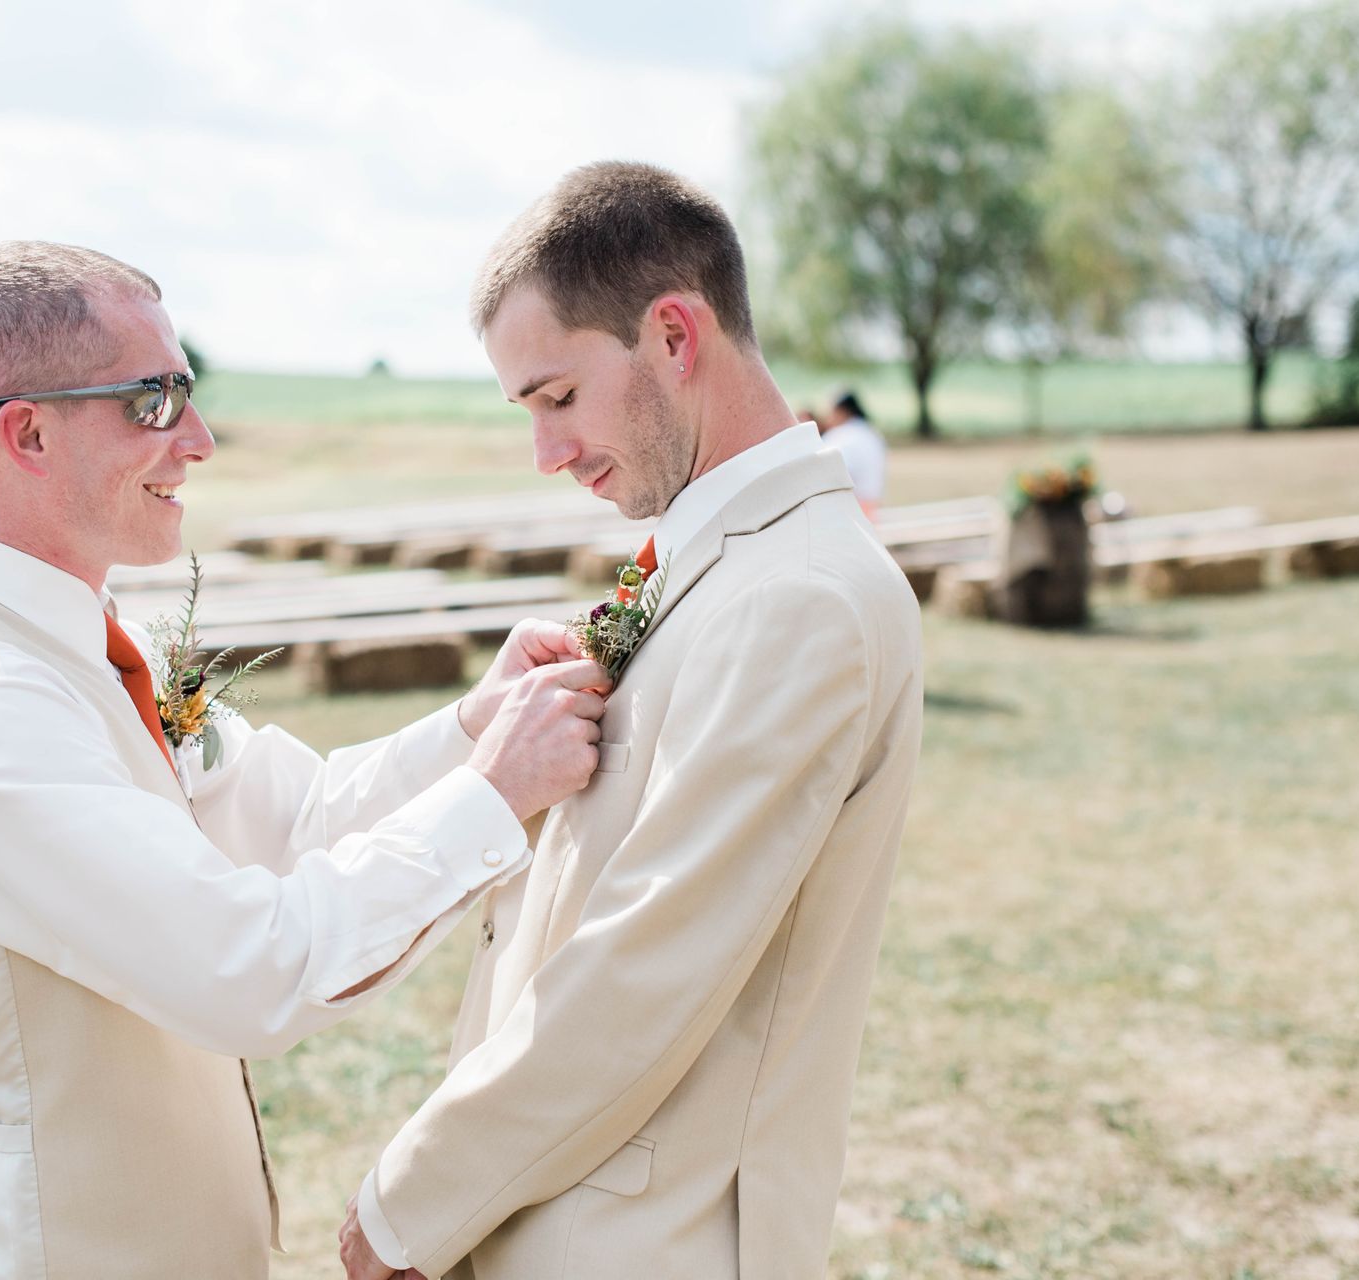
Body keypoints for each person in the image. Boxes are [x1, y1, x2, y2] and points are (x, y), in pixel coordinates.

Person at [0, 241, 609, 1280]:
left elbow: (297, 818)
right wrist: (495, 792)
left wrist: (474, 728)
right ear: (26, 432)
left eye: (188, 394)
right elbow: (250, 966)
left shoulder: (96, 643)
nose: (196, 439)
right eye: (153, 400)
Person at [339, 163, 924, 1280]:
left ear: (671, 334)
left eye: (557, 397)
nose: (547, 452)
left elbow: (651, 959)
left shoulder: (798, 595)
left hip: (650, 1238)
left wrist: (412, 1201)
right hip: (561, 1206)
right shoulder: (720, 564)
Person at [821, 390, 886, 517]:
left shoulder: (840, 436)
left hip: (849, 509)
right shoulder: (871, 433)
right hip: (873, 507)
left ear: (841, 411)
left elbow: (827, 472)